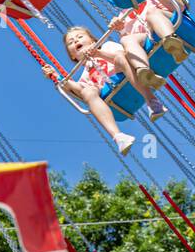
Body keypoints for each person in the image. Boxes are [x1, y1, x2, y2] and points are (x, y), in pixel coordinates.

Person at [48, 25, 163, 156]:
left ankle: (152, 101)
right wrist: (58, 78)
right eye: (71, 42)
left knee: (120, 57)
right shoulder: (85, 75)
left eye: (80, 37)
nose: (75, 41)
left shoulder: (107, 46)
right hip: (116, 99)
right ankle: (118, 136)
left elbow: (124, 55)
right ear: (73, 56)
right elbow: (79, 90)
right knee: (87, 92)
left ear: (92, 40)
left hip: (127, 75)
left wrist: (98, 53)